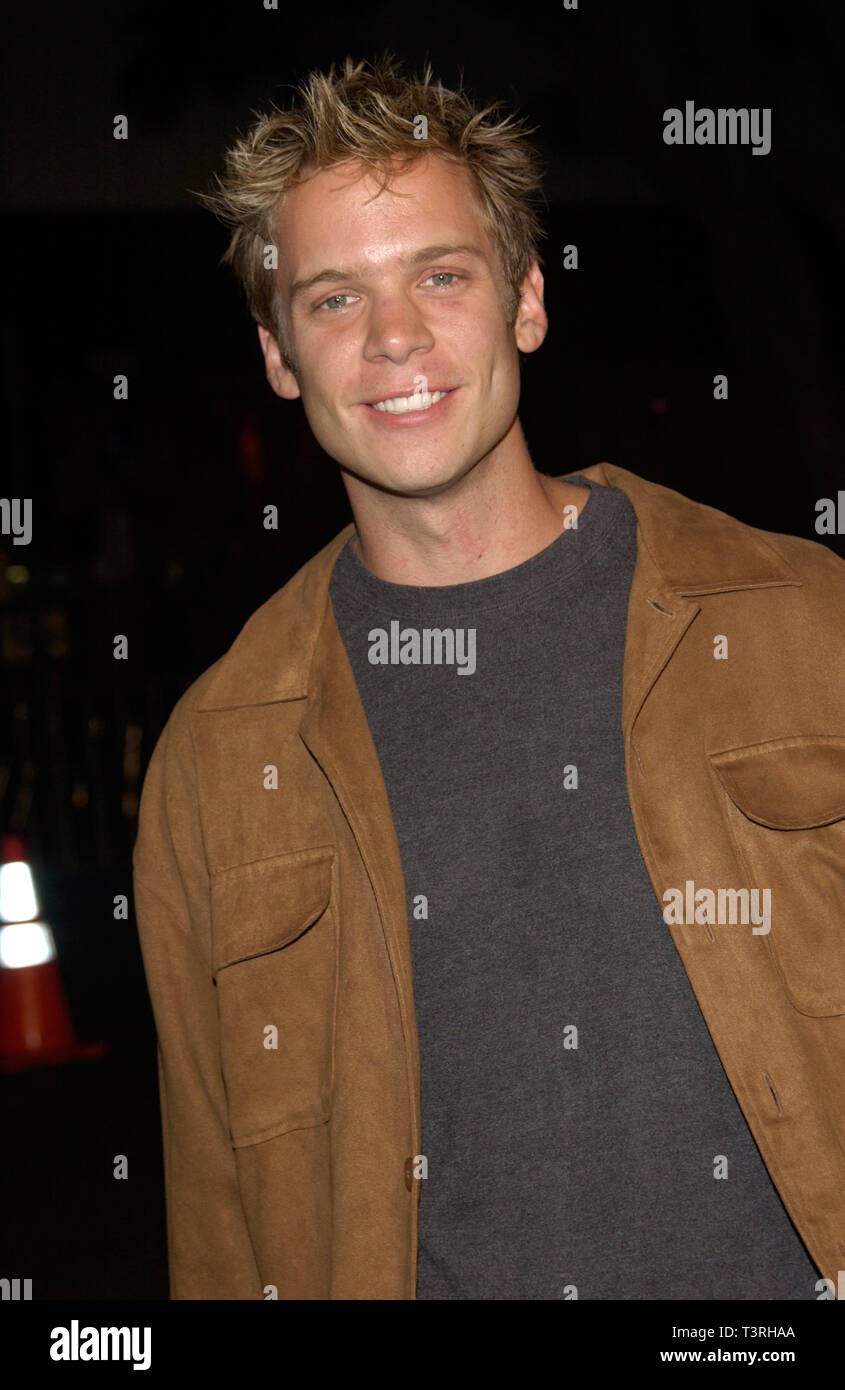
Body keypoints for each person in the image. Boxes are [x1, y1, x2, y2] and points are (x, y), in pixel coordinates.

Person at [133, 53, 845, 1300]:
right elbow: (215, 1218)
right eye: (333, 299)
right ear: (277, 356)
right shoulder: (214, 756)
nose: (395, 337)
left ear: (526, 300)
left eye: (440, 276)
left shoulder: (804, 625)